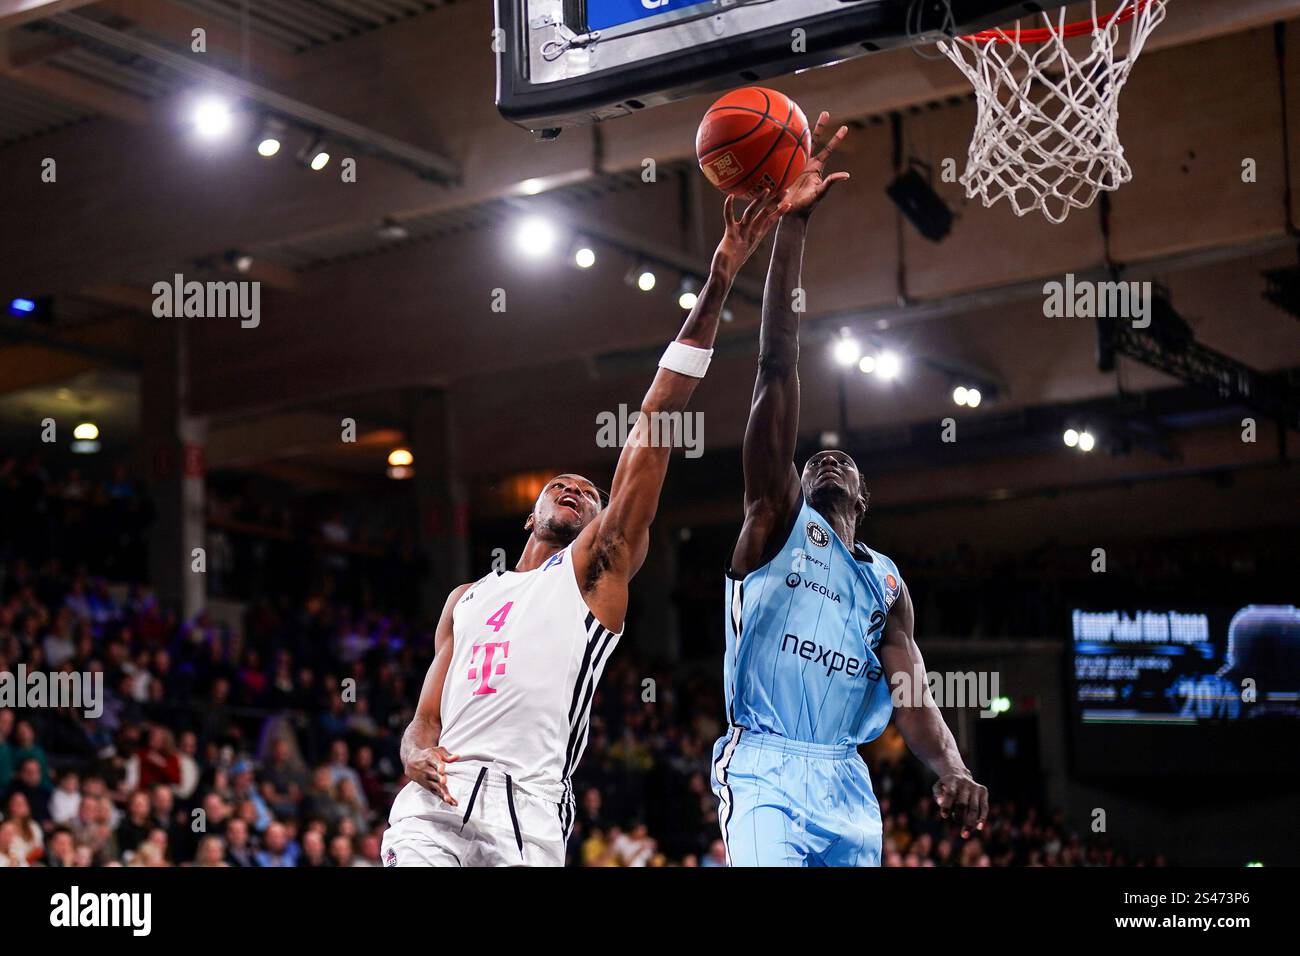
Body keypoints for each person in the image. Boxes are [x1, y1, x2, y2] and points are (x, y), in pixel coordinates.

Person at [382, 191, 785, 867]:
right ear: (529, 511)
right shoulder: (465, 598)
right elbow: (425, 719)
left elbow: (654, 427)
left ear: (601, 528)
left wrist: (717, 280)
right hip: (436, 798)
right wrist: (414, 747)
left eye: (591, 494)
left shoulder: (592, 573)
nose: (575, 488)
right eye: (561, 484)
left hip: (527, 806)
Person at [712, 112, 988, 867]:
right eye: (813, 461)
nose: (826, 462)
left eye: (844, 464)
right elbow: (776, 366)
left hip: (845, 780)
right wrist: (792, 230)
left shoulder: (886, 582)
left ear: (862, 497)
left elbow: (913, 697)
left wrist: (954, 769)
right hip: (766, 763)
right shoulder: (773, 520)